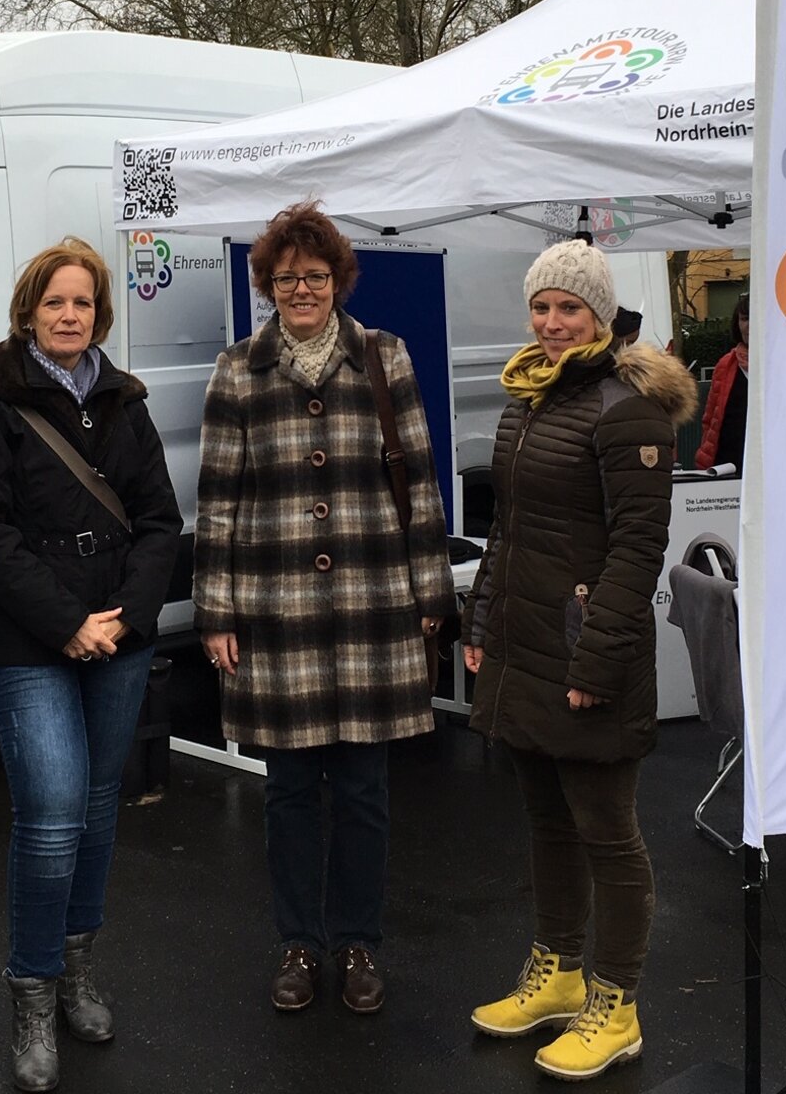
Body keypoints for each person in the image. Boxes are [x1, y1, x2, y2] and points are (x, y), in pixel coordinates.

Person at [195, 201, 455, 1015]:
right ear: (267, 286)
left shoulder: (385, 356)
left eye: (313, 275)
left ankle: (358, 944)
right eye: (284, 278)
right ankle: (300, 945)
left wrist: (430, 596)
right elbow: (217, 501)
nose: (300, 289)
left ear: (337, 279)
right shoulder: (239, 368)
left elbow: (419, 484)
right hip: (276, 613)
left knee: (368, 791)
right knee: (290, 793)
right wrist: (217, 611)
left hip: (374, 604)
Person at [0, 238, 181, 1092]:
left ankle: (80, 968)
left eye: (83, 303)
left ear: (100, 314)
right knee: (48, 817)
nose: (70, 316)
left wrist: (127, 618)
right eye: (56, 303)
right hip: (31, 644)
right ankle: (34, 992)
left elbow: (159, 519)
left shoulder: (127, 404)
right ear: (28, 311)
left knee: (95, 810)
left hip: (118, 635)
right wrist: (69, 623)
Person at [463, 239, 697, 1082]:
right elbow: (510, 529)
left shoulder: (625, 405)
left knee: (607, 833)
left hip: (588, 656)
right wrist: (480, 619)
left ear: (601, 315)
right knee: (546, 823)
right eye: (542, 306)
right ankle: (558, 974)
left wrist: (594, 664)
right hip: (524, 649)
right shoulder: (530, 397)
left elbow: (640, 548)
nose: (553, 322)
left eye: (569, 308)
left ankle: (617, 1004)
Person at [694, 294, 750, 472]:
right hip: (728, 464)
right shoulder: (726, 364)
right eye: (744, 319)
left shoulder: (781, 364)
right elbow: (710, 419)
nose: (748, 326)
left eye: (754, 318)